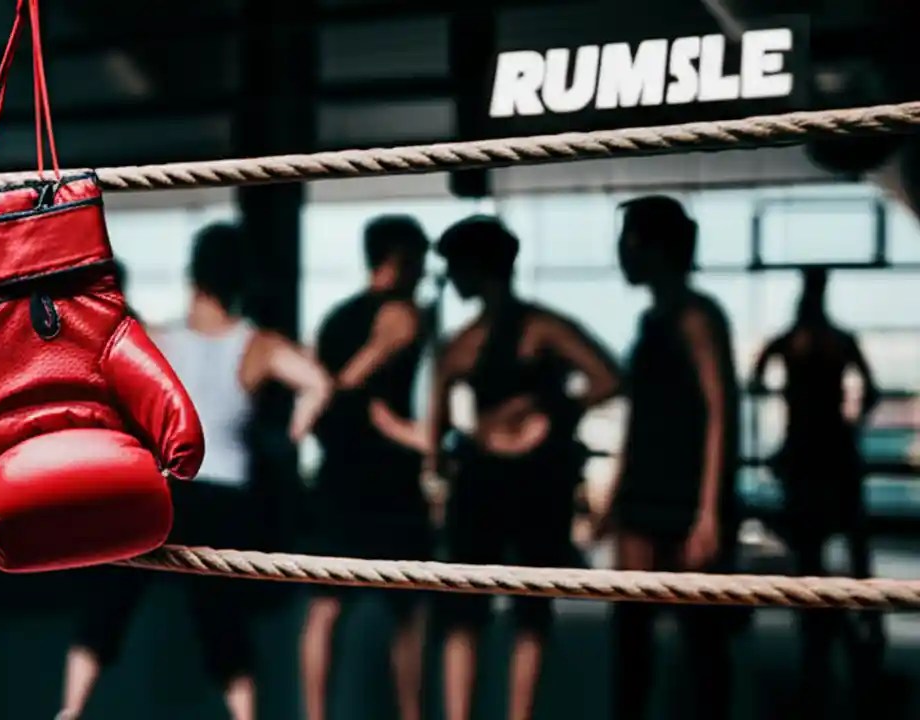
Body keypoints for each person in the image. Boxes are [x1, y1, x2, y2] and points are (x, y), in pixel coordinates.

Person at [58, 224, 332, 720]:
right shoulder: (258, 346)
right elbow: (317, 382)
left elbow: (98, 375)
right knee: (221, 614)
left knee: (111, 592)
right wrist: (296, 430)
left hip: (168, 488)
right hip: (225, 498)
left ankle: (71, 710)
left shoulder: (159, 339)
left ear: (194, 278)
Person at [429, 216, 620, 720]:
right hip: (483, 479)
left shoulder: (542, 327)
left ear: (477, 266)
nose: (451, 276)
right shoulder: (460, 343)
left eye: (456, 266)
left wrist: (547, 411)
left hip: (539, 478)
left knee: (529, 607)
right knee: (463, 608)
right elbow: (436, 428)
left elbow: (607, 377)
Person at [598, 195, 741, 720]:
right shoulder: (651, 321)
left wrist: (710, 512)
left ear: (647, 246)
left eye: (626, 242)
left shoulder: (697, 316)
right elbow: (639, 416)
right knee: (631, 638)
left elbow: (721, 412)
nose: (620, 255)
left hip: (684, 500)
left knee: (700, 642)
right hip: (644, 495)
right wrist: (614, 494)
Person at [301, 216, 432, 720]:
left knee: (335, 607)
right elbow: (346, 385)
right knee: (396, 611)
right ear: (399, 259)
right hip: (381, 479)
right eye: (419, 261)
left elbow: (324, 391)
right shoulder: (403, 315)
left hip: (347, 475)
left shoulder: (335, 319)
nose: (425, 272)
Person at [751, 267, 882, 712]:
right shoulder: (834, 341)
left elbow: (753, 381)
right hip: (833, 456)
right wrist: (849, 423)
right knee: (844, 557)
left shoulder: (791, 342)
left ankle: (832, 645)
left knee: (815, 561)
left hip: (807, 458)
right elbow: (873, 392)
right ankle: (853, 640)